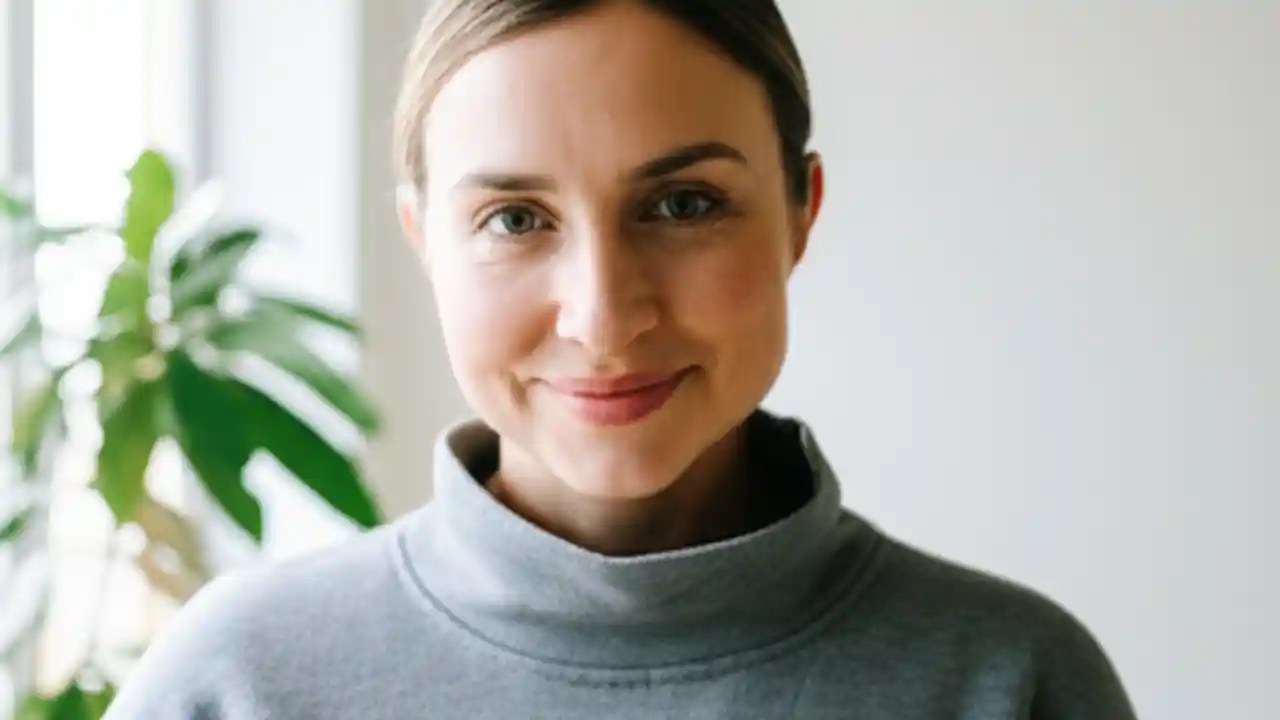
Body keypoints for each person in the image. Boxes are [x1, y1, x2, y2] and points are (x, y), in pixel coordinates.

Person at [106, 0, 1137, 717]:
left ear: (798, 215)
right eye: (514, 218)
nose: (602, 318)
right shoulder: (237, 684)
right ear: (425, 241)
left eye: (682, 205)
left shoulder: (1009, 683)